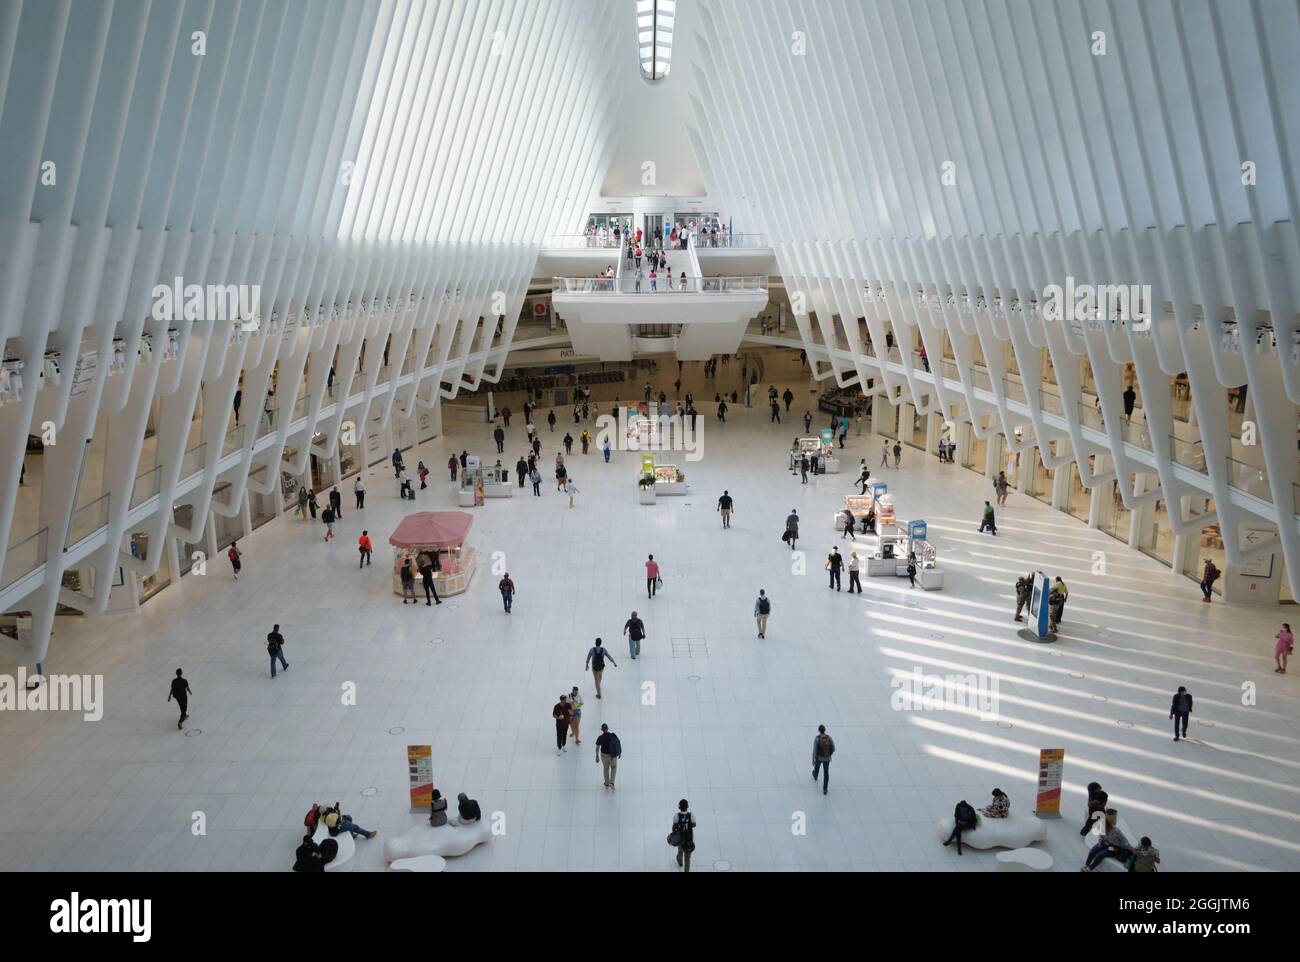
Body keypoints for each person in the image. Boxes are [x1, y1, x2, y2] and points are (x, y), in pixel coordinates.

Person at [671, 800, 696, 872]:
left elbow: (673, 828)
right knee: (688, 858)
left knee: (680, 851)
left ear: (679, 807)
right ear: (687, 807)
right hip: (689, 840)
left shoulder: (676, 816)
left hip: (680, 839)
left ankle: (680, 862)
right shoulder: (691, 815)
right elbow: (694, 825)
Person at [595, 723, 621, 790]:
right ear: (607, 728)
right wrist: (619, 752)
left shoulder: (600, 738)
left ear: (602, 729)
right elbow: (617, 744)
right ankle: (612, 782)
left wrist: (597, 756)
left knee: (606, 768)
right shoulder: (612, 735)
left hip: (604, 755)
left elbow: (597, 747)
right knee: (614, 768)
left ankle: (606, 783)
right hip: (613, 756)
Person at [811, 724, 835, 795]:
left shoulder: (817, 738)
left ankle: (815, 775)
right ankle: (825, 789)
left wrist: (813, 759)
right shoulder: (829, 737)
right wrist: (829, 755)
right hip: (827, 759)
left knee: (817, 768)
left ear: (819, 730)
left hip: (819, 757)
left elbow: (814, 750)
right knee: (826, 773)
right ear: (825, 730)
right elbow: (833, 748)